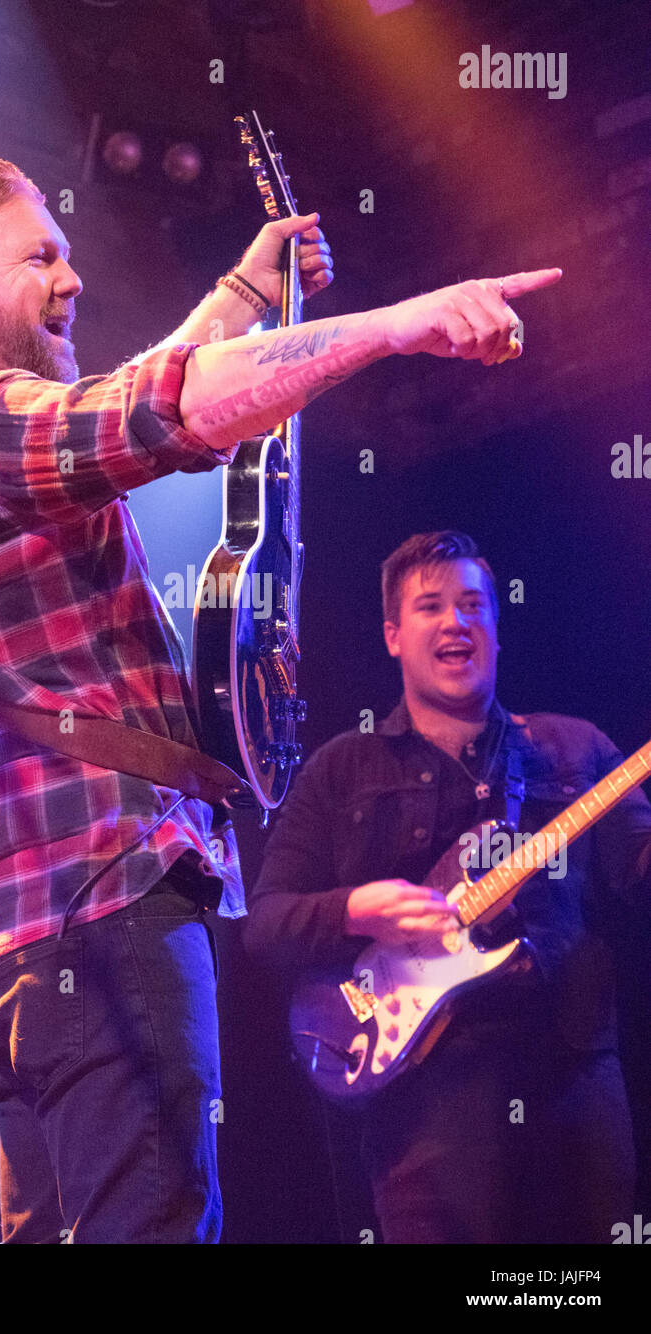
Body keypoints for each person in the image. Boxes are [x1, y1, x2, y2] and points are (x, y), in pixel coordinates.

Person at [0, 155, 558, 1243]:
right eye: (38, 256)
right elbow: (151, 410)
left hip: (20, 948)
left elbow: (125, 399)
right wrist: (391, 326)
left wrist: (243, 289)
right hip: (102, 910)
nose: (71, 277)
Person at [244, 530, 651, 1244]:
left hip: (574, 1078)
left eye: (473, 605)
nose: (456, 622)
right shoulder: (344, 769)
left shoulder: (574, 748)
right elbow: (265, 924)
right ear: (394, 636)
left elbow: (639, 873)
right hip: (426, 1103)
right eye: (431, 607)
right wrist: (355, 911)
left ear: (496, 625)